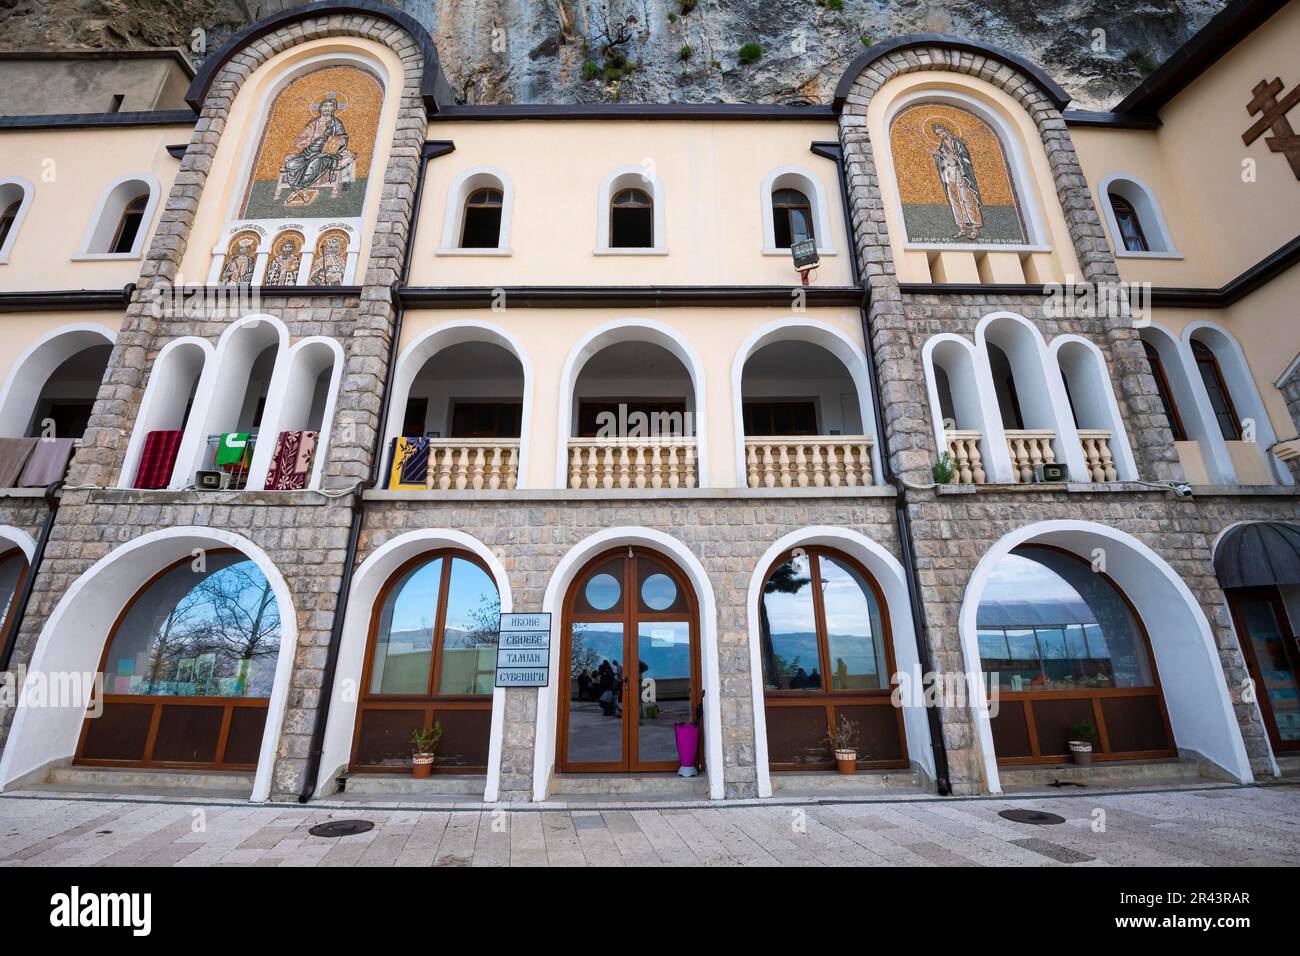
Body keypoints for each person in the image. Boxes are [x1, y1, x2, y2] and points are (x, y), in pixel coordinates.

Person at [283, 93, 349, 205]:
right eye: (325, 106)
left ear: (334, 109)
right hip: (307, 152)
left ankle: (301, 189)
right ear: (320, 108)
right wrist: (302, 144)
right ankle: (299, 191)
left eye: (330, 106)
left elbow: (343, 138)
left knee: (314, 164)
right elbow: (300, 140)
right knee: (290, 164)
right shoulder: (313, 123)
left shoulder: (336, 123)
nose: (327, 108)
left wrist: (333, 144)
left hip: (324, 154)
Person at [930, 121, 983, 240]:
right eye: (938, 134)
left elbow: (965, 158)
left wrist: (956, 157)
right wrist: (937, 155)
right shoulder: (942, 145)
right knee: (955, 200)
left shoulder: (957, 143)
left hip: (962, 174)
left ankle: (975, 229)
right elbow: (945, 159)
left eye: (941, 132)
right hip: (950, 174)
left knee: (967, 198)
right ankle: (962, 228)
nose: (940, 135)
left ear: (946, 130)